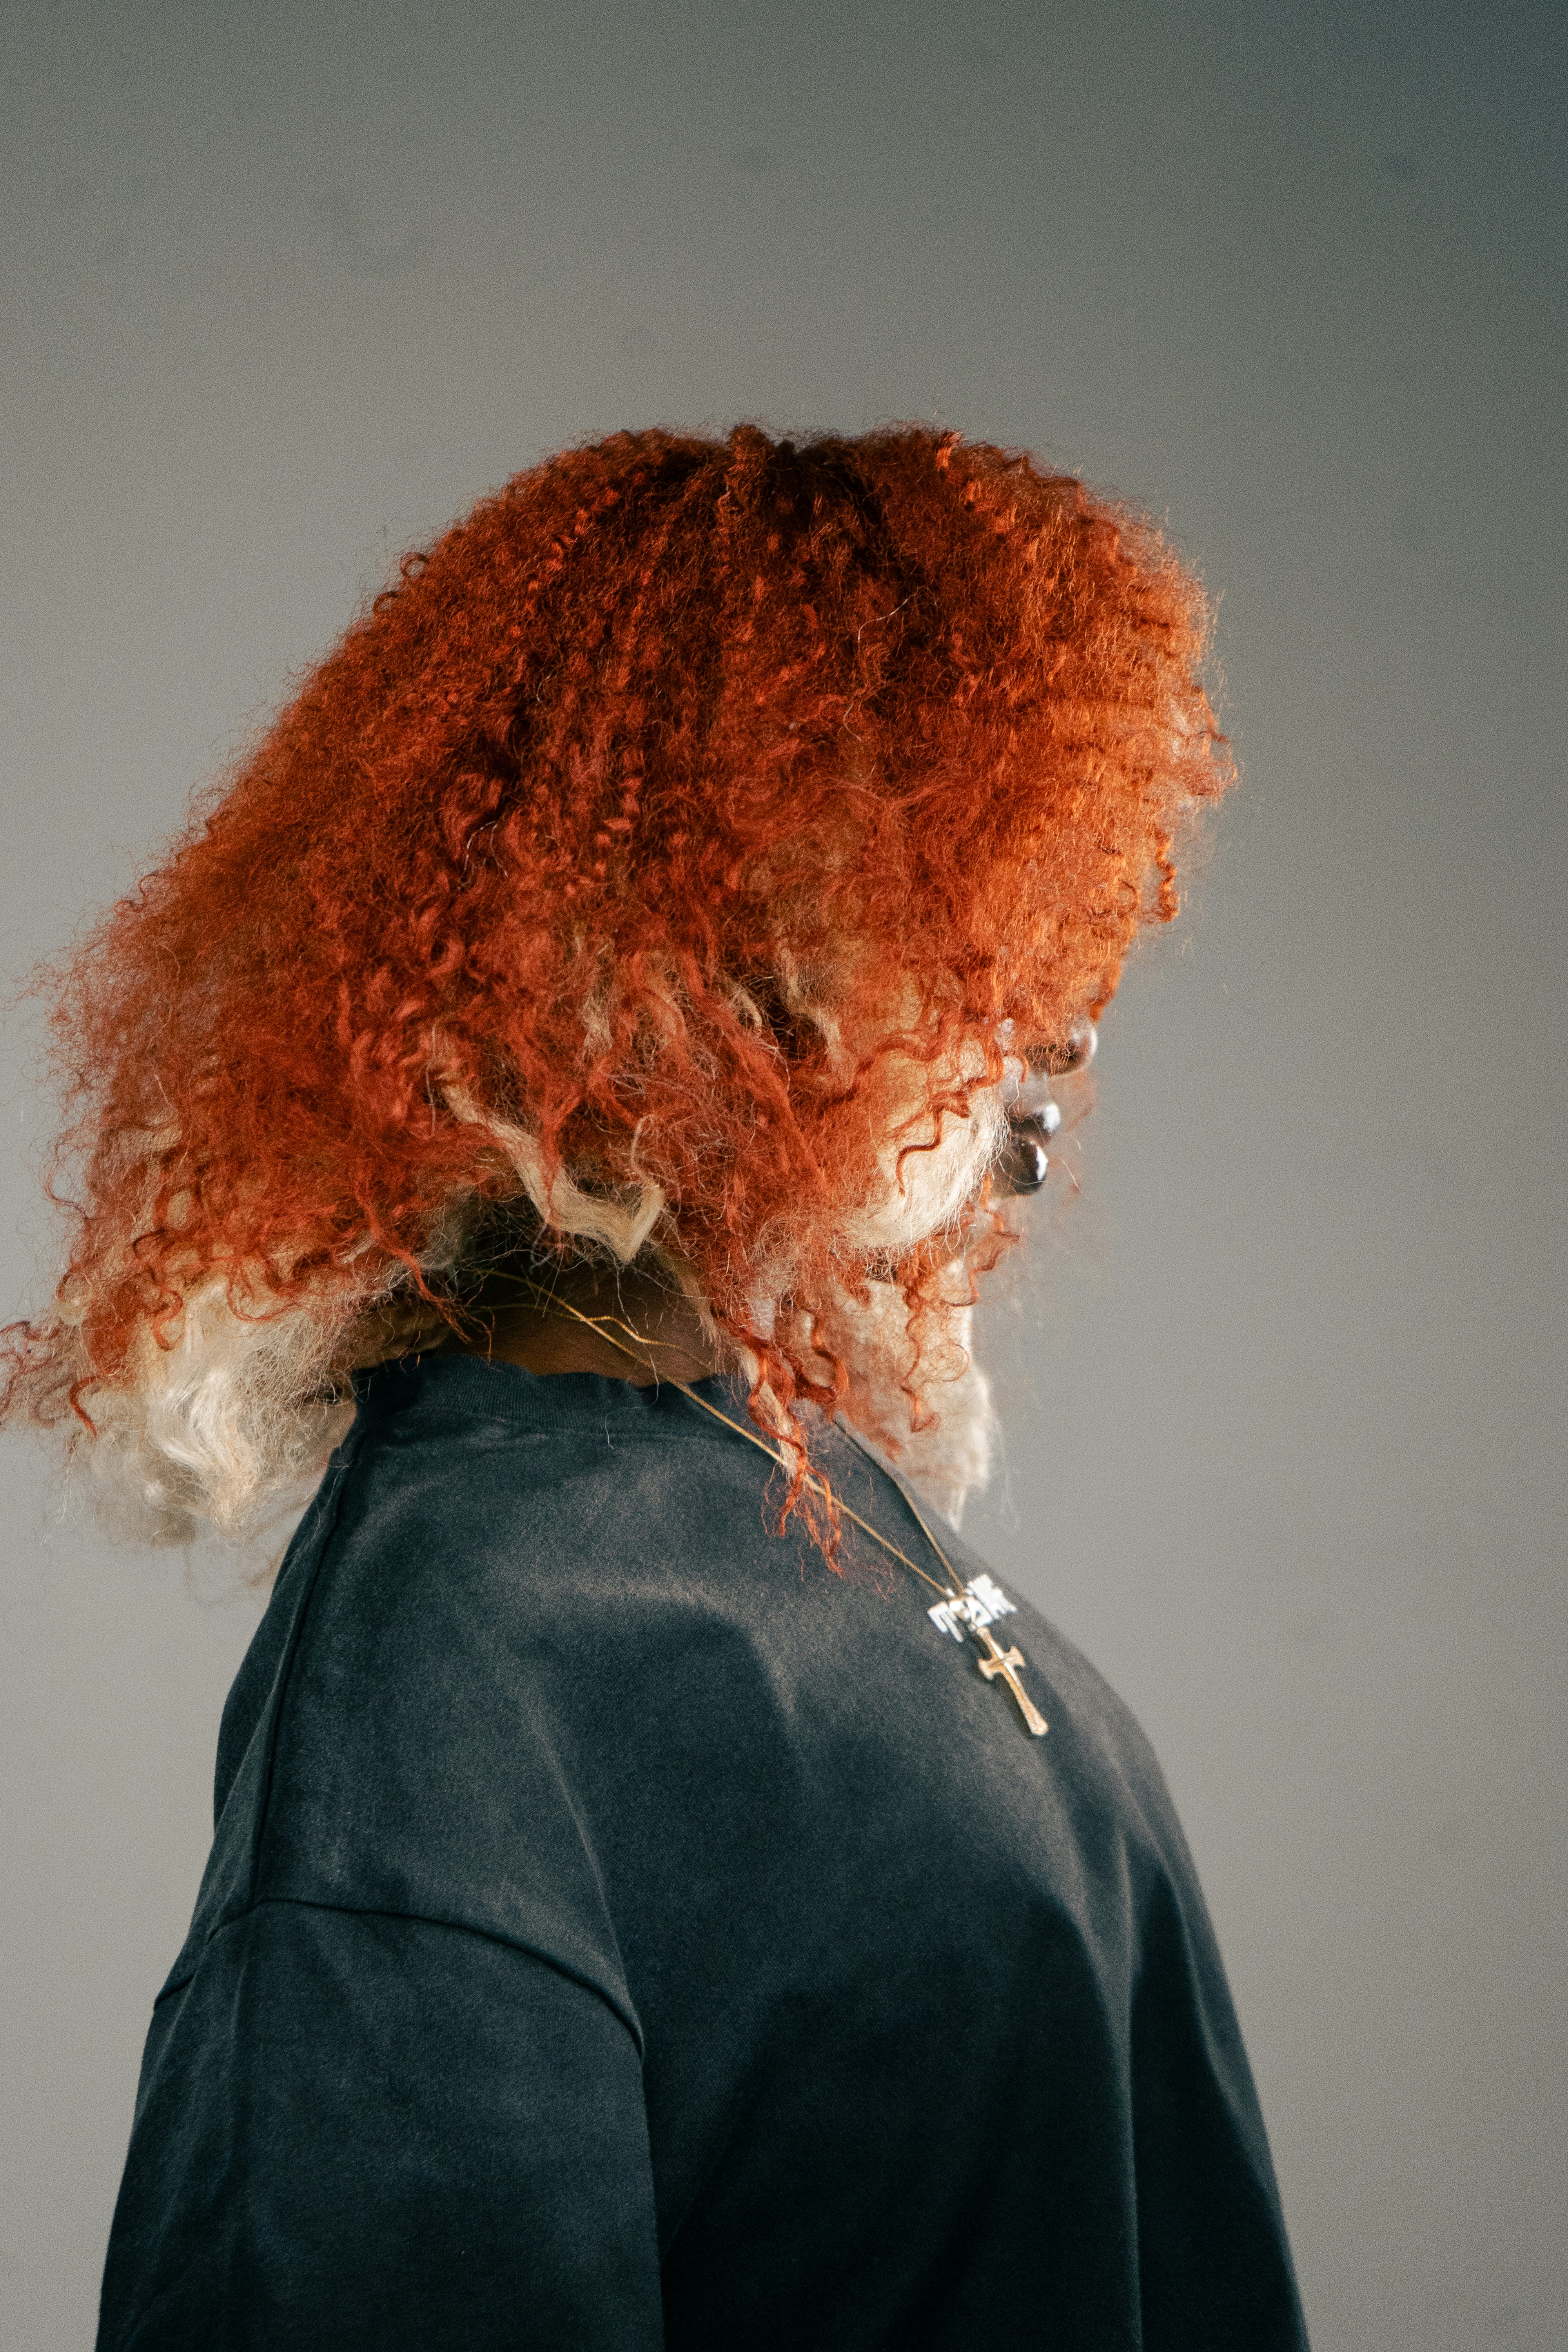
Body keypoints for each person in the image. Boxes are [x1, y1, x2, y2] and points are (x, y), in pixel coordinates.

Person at [4, 424, 1308, 2348]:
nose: (1057, 1016)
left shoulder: (759, 1465)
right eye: (963, 917)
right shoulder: (457, 1665)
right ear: (716, 948)